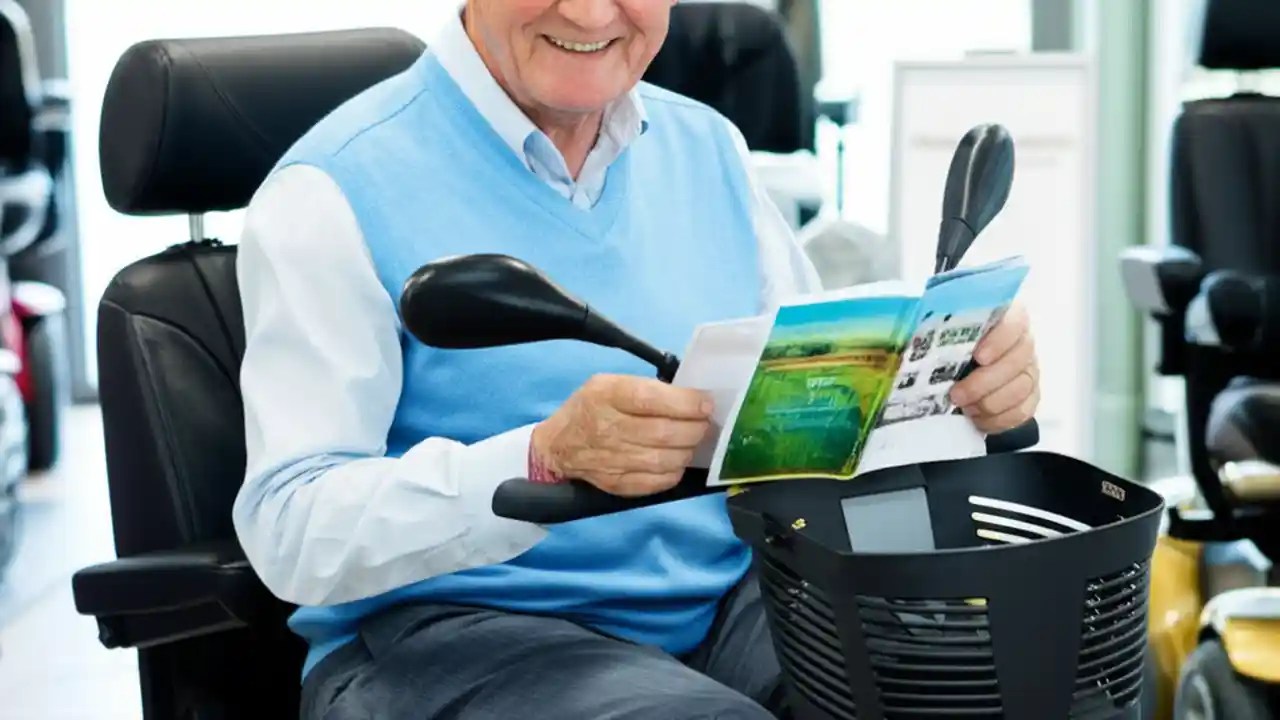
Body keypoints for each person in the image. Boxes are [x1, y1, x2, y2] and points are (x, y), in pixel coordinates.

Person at [232, 1, 1042, 718]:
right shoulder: (329, 191)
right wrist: (539, 459)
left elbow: (811, 419)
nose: (590, 14)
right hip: (448, 637)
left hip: (727, 603)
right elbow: (288, 528)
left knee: (979, 683)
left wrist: (955, 386)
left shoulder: (709, 150)